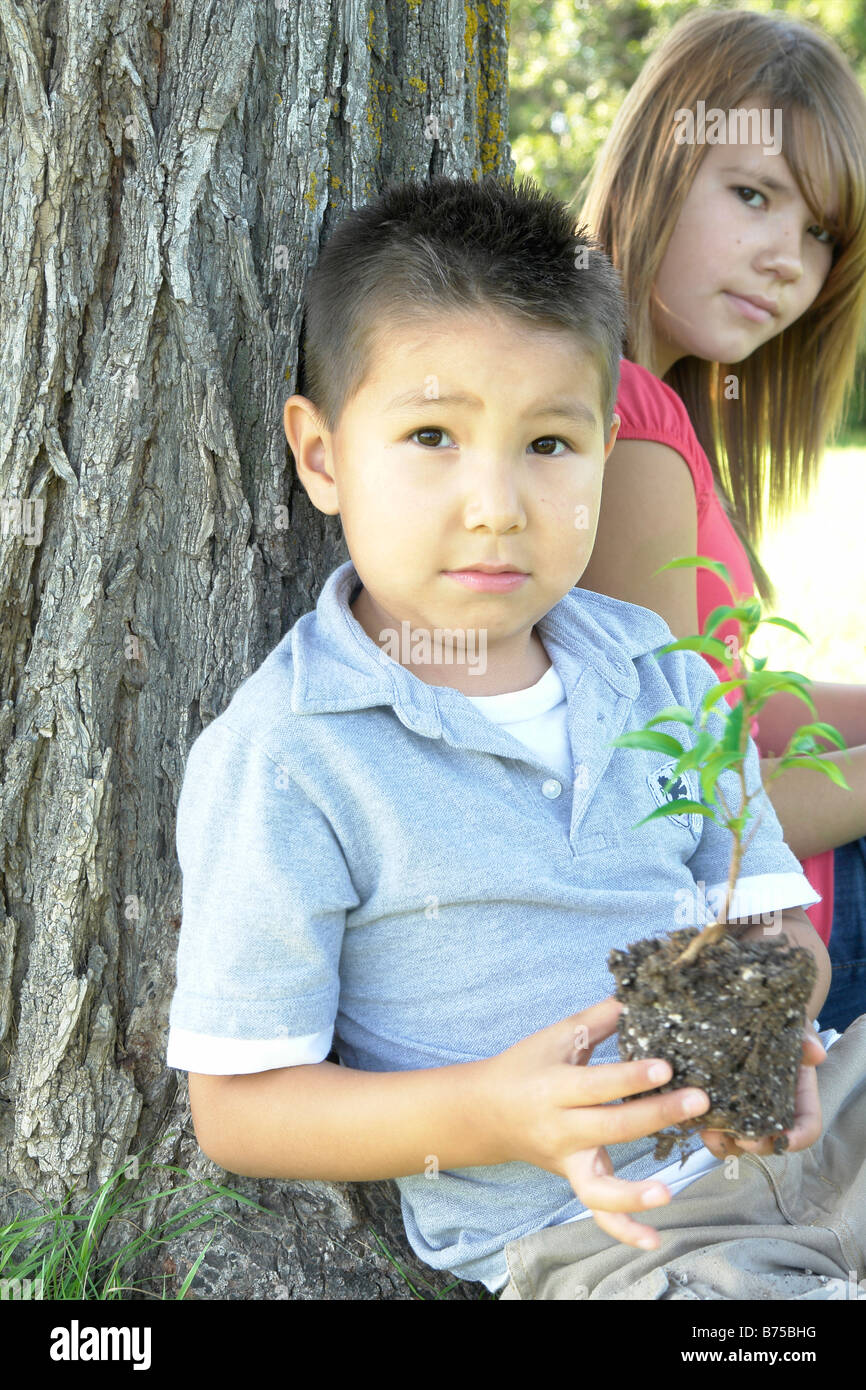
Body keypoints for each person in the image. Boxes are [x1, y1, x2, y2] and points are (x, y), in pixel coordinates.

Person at [164, 174, 866, 1302]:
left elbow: (771, 915)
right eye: (432, 434)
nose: (495, 502)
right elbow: (239, 1107)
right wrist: (489, 1111)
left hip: (801, 1132)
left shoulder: (653, 668)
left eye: (548, 443)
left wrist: (778, 1004)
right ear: (323, 454)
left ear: (602, 448)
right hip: (600, 1230)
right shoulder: (291, 754)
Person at [576, 5, 866, 1034]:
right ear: (659, 157)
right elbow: (673, 807)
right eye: (752, 196)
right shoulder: (618, 420)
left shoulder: (658, 407)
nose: (788, 259)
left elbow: (722, 711)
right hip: (765, 933)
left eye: (819, 233)